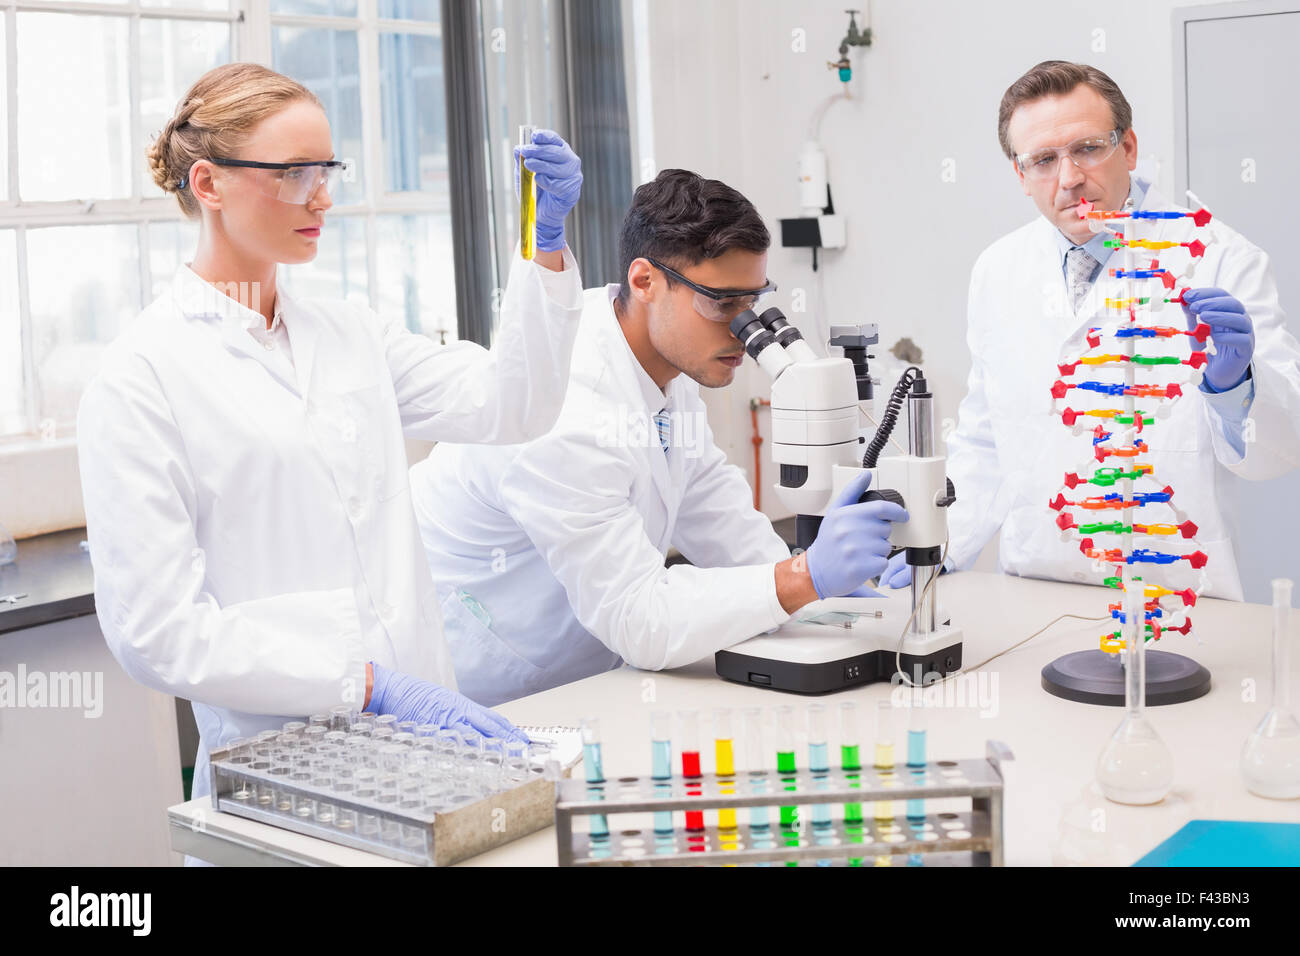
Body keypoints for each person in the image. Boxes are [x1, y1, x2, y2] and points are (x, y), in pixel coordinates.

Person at [76, 62, 587, 806]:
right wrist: (365, 682)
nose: (323, 195)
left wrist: (542, 243)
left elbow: (510, 406)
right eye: (292, 173)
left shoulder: (350, 332)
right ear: (209, 185)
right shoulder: (140, 377)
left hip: (431, 753)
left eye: (327, 169)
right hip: (283, 771)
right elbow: (158, 633)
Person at [408, 169, 908, 706]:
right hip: (476, 688)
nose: (744, 330)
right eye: (721, 303)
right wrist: (805, 576)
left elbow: (729, 534)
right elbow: (639, 617)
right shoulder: (569, 406)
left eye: (753, 301)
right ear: (645, 281)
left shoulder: (669, 377)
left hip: (581, 679)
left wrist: (841, 594)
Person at [920, 60, 1300, 601]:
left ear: (1128, 149)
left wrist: (1236, 388)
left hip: (1175, 596)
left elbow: (1277, 453)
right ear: (1020, 176)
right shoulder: (998, 269)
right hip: (1036, 589)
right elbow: (985, 440)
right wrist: (938, 549)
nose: (1069, 177)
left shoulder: (1220, 259)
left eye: (1088, 148)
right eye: (1043, 160)